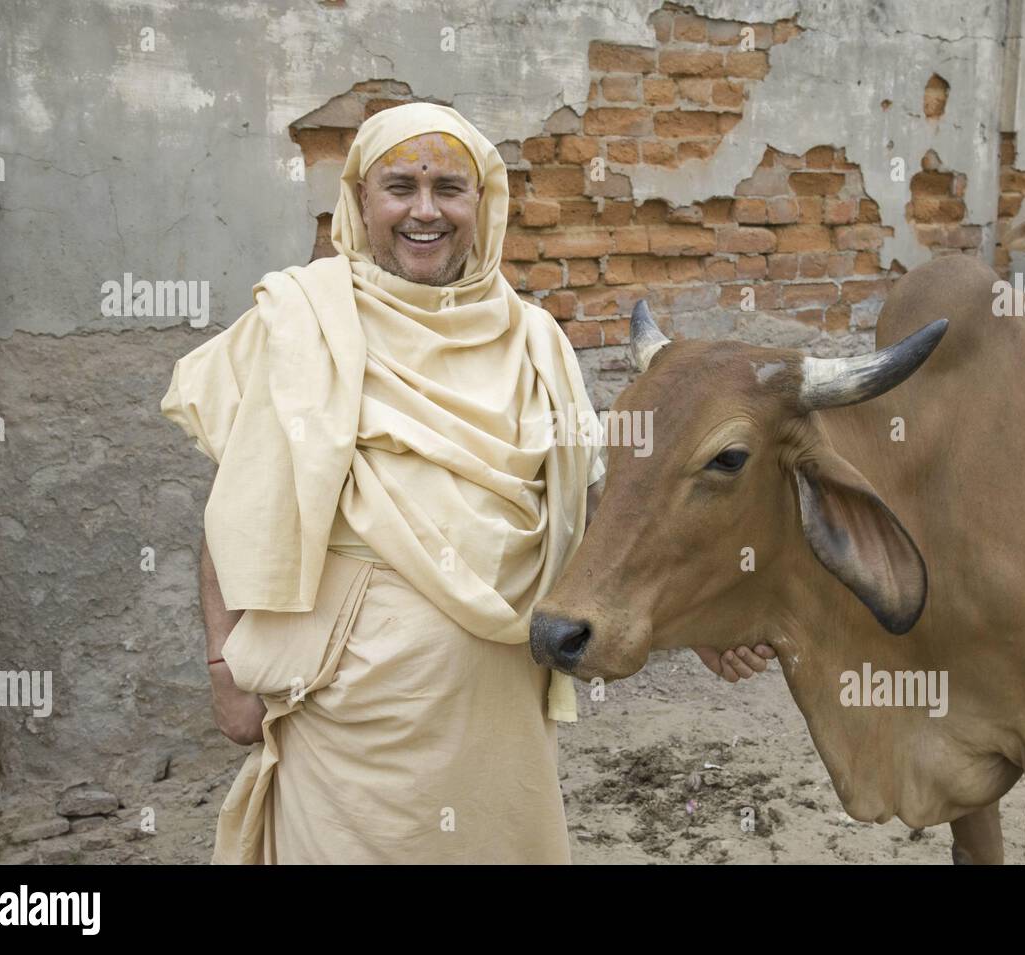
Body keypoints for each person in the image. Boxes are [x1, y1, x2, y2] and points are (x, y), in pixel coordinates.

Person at [160, 102, 775, 864]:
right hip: (345, 728)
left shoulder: (535, 342)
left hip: (499, 719)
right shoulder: (298, 321)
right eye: (400, 186)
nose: (425, 210)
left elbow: (590, 519)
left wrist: (687, 625)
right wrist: (225, 665)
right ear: (359, 202)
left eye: (449, 187)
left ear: (482, 206)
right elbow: (236, 512)